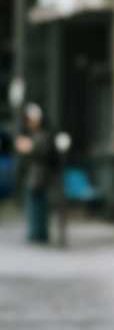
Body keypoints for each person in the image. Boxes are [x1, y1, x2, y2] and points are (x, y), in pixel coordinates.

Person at [14, 102, 55, 244]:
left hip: (40, 174)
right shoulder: (32, 134)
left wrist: (29, 147)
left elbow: (43, 151)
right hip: (33, 174)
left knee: (39, 204)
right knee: (34, 203)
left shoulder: (43, 134)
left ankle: (39, 233)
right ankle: (35, 232)